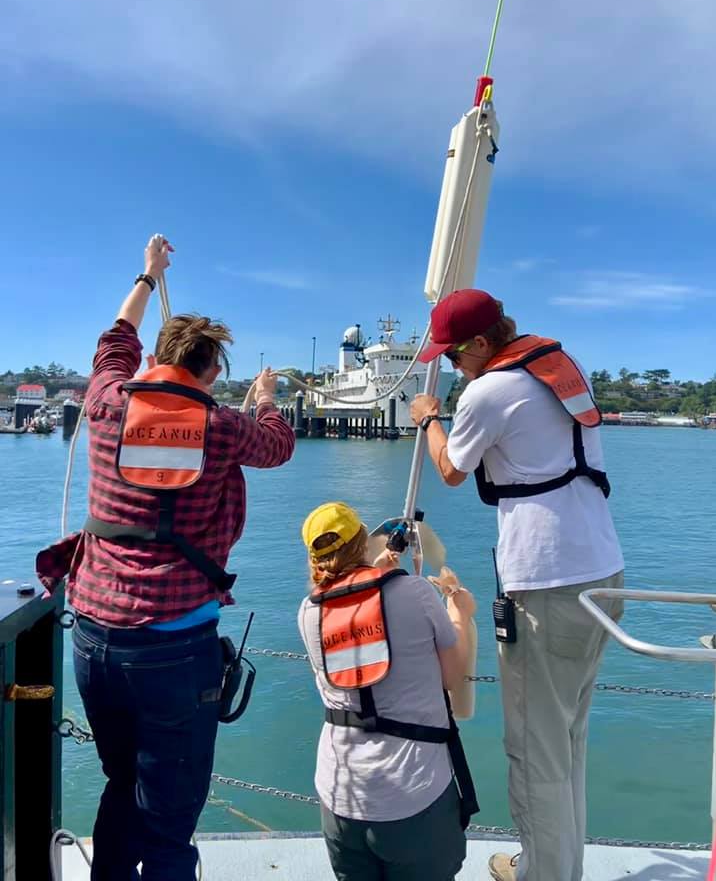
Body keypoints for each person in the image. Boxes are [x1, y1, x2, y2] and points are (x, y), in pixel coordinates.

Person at [37, 235, 295, 881]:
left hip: (94, 641)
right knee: (172, 826)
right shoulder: (221, 426)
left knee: (121, 789)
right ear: (210, 373)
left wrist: (148, 277)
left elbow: (113, 339)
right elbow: (278, 445)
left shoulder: (105, 403)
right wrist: (264, 396)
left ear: (154, 357)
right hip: (175, 652)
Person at [410, 288, 625, 881]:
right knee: (567, 740)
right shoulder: (556, 368)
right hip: (604, 573)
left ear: (481, 344)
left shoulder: (489, 390)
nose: (453, 366)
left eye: (454, 355)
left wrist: (429, 416)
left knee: (535, 751)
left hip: (547, 585)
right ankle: (556, 866)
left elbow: (452, 469)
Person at [297, 500, 478, 881]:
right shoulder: (416, 593)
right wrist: (460, 612)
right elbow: (452, 676)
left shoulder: (309, 612)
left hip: (341, 795)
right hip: (411, 793)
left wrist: (376, 574)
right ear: (362, 542)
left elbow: (357, 608)